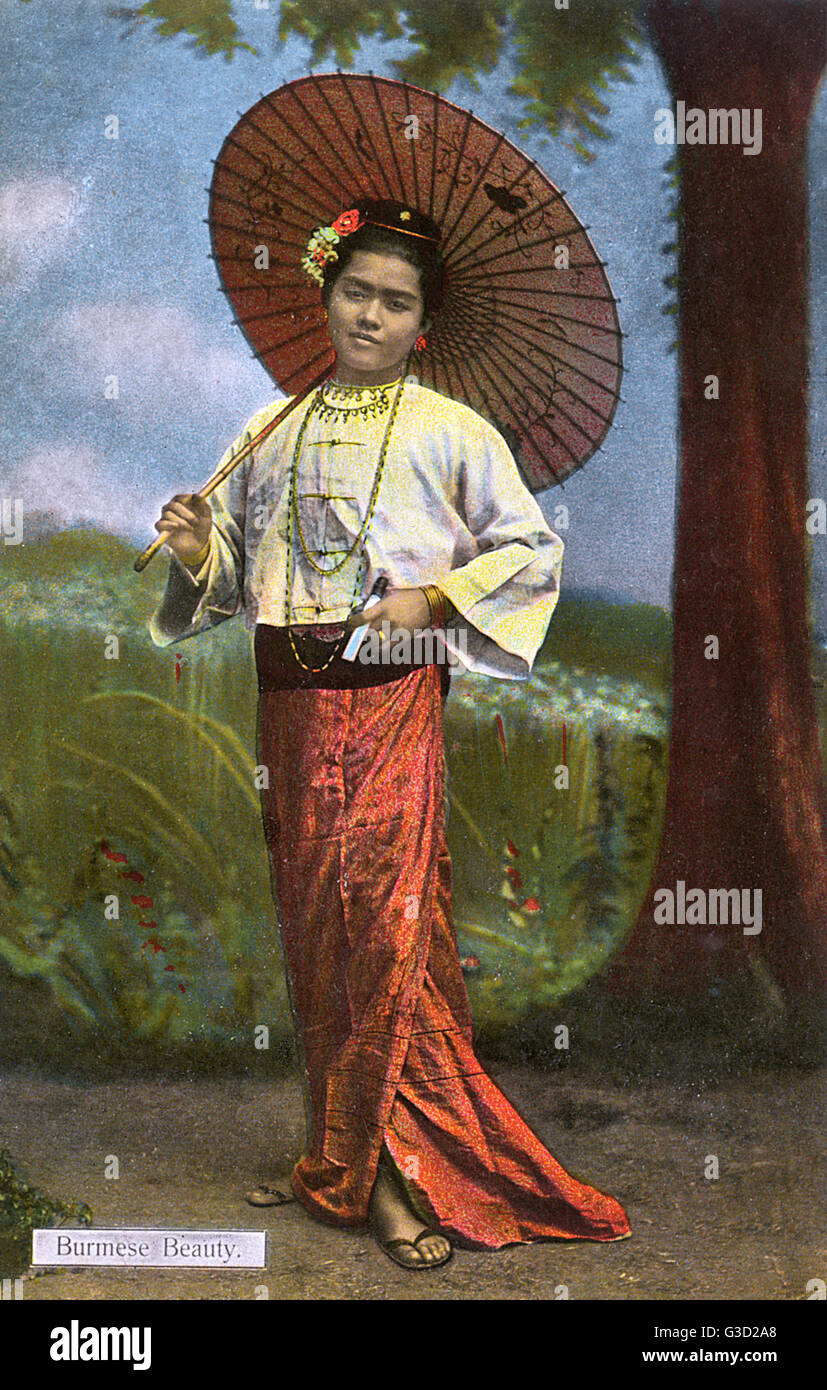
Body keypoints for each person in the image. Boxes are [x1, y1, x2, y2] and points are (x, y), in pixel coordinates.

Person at [150, 198, 630, 1270]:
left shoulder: (453, 433)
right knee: (317, 930)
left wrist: (433, 599)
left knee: (386, 928)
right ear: (325, 294)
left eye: (394, 301)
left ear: (424, 325)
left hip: (391, 699)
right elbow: (232, 586)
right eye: (354, 291)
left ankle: (395, 1180)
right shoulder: (268, 429)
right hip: (286, 700)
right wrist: (193, 549)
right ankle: (336, 1157)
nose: (369, 314)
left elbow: (527, 548)